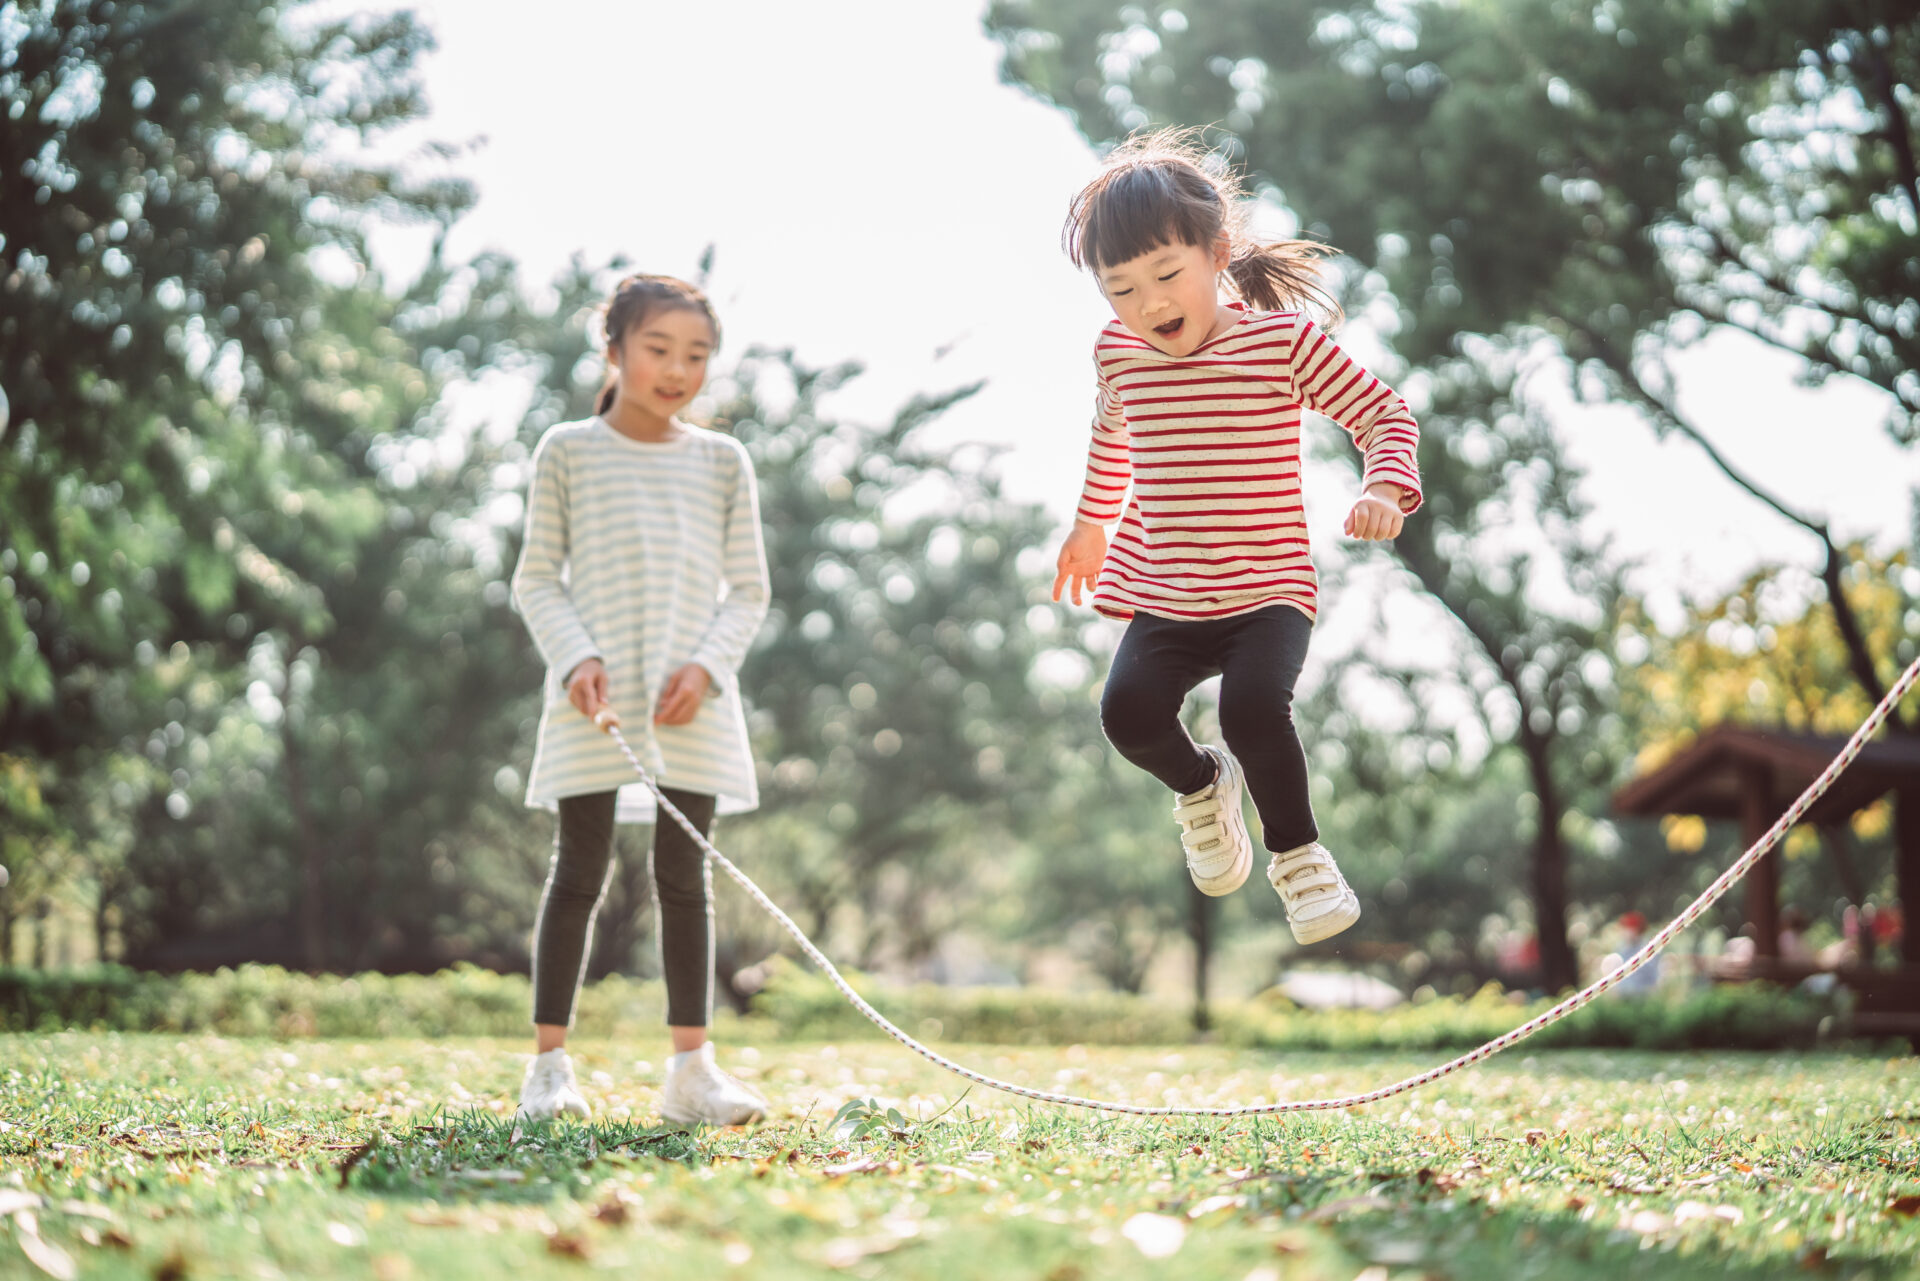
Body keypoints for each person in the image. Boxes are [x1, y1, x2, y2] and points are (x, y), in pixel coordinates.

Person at [1050, 131, 1422, 946]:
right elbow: (1113, 440)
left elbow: (1384, 413)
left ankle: (1299, 857)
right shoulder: (1119, 355)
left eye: (1165, 276)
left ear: (1216, 253)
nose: (1148, 304)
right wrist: (1089, 525)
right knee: (1127, 712)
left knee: (1253, 709)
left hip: (1266, 589)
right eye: (1121, 289)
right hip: (1166, 589)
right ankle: (1200, 782)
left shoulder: (1278, 346)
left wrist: (1385, 485)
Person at [509, 273, 771, 1126]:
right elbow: (536, 577)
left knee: (683, 875)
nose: (677, 370)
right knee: (577, 869)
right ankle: (548, 1069)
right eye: (658, 350)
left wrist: (705, 668)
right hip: (595, 697)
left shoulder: (724, 462)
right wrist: (574, 656)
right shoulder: (567, 451)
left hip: (692, 700)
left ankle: (692, 1072)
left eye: (696, 355)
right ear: (613, 350)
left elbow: (749, 592)